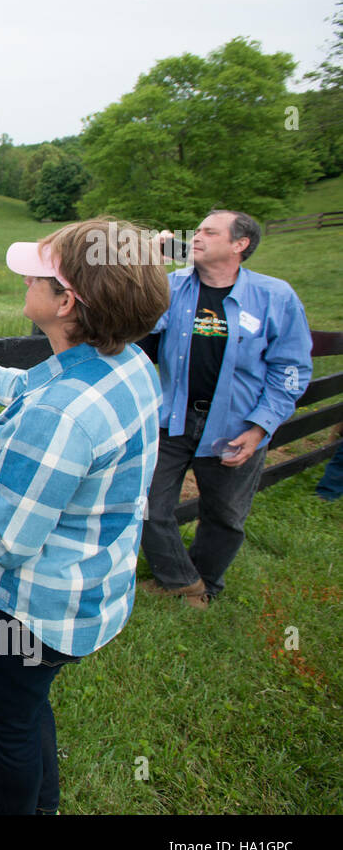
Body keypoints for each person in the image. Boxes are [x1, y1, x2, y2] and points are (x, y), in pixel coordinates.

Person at [0, 218, 170, 814]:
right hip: (86, 592)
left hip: (27, 611)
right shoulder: (126, 366)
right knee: (28, 703)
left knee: (10, 724)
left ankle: (18, 805)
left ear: (66, 301)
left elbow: (5, 537)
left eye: (38, 274)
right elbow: (30, 385)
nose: (25, 277)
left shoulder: (60, 416)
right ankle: (40, 802)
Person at [138, 210, 312, 608]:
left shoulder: (275, 296)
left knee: (225, 515)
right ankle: (183, 581)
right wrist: (148, 268)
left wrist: (259, 428)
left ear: (239, 244)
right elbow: (133, 324)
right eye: (195, 231)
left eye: (209, 232)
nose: (196, 236)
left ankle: (207, 580)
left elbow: (291, 369)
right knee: (146, 504)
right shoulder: (170, 286)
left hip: (235, 425)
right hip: (174, 419)